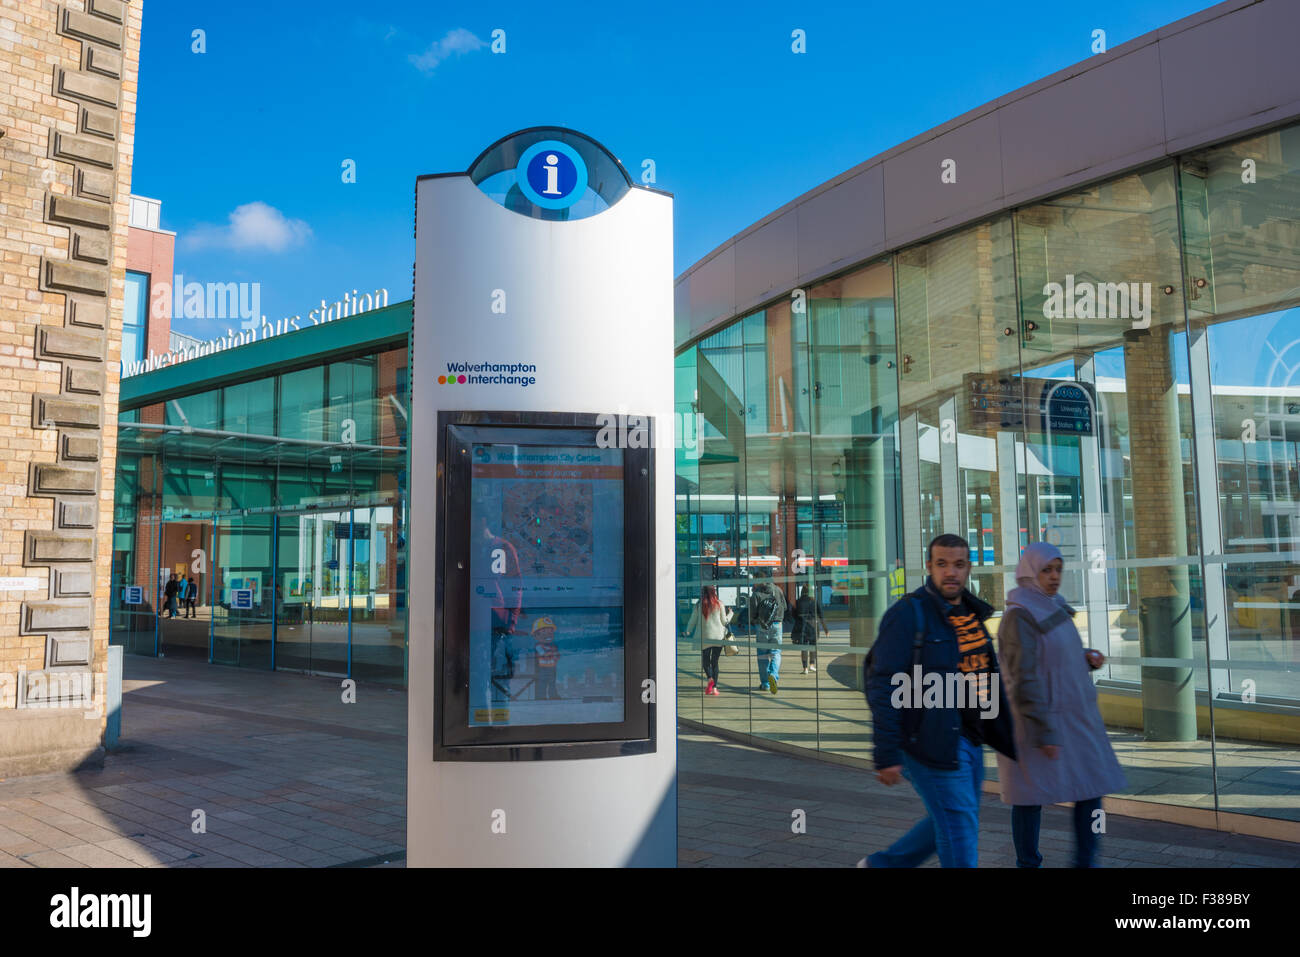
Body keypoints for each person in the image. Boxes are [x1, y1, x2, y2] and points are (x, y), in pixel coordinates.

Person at [861, 533, 1017, 868]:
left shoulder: (973, 614)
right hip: (927, 740)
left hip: (970, 738)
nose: (951, 572)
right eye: (942, 564)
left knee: (949, 817)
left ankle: (882, 866)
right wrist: (886, 753)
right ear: (929, 567)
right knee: (960, 829)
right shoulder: (908, 614)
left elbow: (988, 679)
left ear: (969, 568)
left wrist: (1010, 737)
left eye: (958, 565)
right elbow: (881, 683)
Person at [996, 541, 1126, 868]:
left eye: (1058, 570)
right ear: (1029, 572)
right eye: (1046, 570)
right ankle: (1028, 864)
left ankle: (1084, 862)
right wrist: (1044, 731)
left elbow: (1049, 659)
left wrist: (1083, 659)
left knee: (1091, 787)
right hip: (1039, 721)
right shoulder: (1020, 614)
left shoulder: (1054, 606)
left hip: (1073, 718)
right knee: (1029, 797)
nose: (1054, 577)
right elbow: (1023, 675)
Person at [685, 585, 732, 695]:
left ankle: (710, 678)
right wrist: (731, 613)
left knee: (706, 661)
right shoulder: (719, 603)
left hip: (704, 637)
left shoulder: (699, 604)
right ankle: (715, 688)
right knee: (715, 662)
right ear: (714, 592)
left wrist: (687, 631)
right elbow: (724, 621)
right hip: (718, 637)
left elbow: (693, 619)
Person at [749, 567, 787, 694]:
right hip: (777, 625)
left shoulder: (756, 593)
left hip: (761, 626)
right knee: (776, 652)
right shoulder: (778, 590)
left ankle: (765, 684)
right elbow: (785, 607)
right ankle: (773, 674)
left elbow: (752, 614)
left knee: (762, 655)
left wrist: (755, 621)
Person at [791, 584, 827, 673]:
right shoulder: (814, 601)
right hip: (813, 627)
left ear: (802, 591)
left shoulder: (798, 601)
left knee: (804, 648)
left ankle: (805, 668)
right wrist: (825, 628)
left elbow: (794, 615)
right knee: (813, 646)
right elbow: (821, 615)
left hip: (802, 627)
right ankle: (812, 665)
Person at [531, 616, 561, 700]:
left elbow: (557, 656)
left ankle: (553, 695)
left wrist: (554, 655)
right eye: (543, 632)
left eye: (551, 632)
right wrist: (551, 654)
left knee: (552, 683)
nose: (548, 634)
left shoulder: (553, 646)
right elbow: (543, 654)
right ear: (536, 636)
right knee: (542, 683)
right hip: (542, 669)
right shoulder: (538, 646)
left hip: (552, 668)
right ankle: (541, 697)